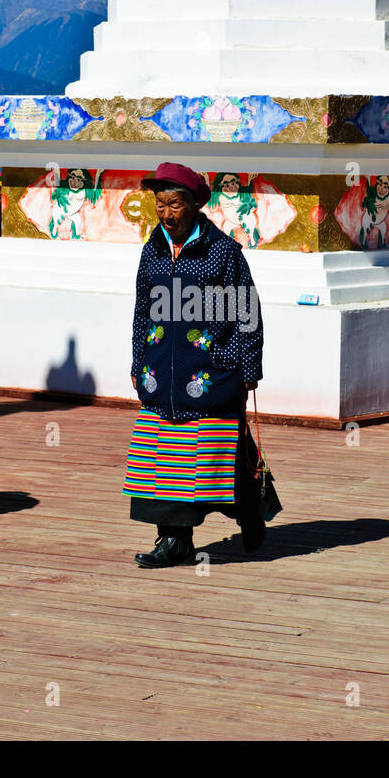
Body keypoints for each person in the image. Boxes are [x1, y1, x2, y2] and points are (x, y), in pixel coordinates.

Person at [122, 162, 269, 568]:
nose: (166, 213)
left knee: (216, 456)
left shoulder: (223, 254)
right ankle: (174, 541)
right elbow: (142, 312)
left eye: (175, 204)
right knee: (164, 461)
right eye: (160, 203)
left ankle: (250, 509)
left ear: (196, 204)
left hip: (210, 373)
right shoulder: (151, 251)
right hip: (160, 375)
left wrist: (246, 367)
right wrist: (138, 359)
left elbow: (247, 314)